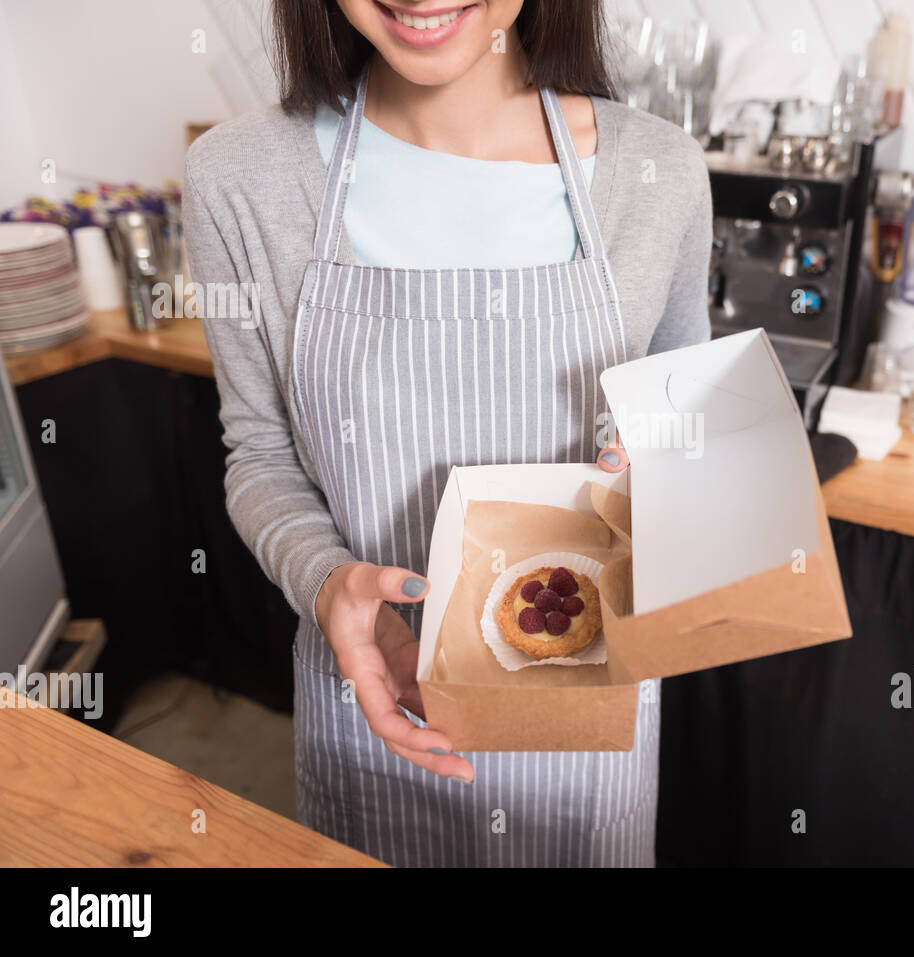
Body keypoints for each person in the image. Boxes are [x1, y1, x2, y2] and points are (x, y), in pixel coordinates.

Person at [183, 0, 712, 866]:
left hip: (589, 723)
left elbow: (684, 424)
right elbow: (260, 454)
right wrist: (324, 580)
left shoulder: (658, 172)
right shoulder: (239, 178)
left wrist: (663, 472)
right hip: (373, 704)